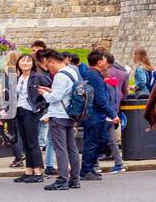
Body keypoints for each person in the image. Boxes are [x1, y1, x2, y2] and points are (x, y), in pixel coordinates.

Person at [38, 50, 81, 191]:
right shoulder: (71, 71)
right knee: (72, 148)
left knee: (60, 148)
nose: (48, 69)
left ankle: (62, 179)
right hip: (70, 114)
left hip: (59, 115)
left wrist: (45, 93)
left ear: (52, 62)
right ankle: (75, 179)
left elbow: (55, 98)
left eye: (48, 65)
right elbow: (66, 93)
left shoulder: (59, 76)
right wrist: (51, 91)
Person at [79, 51, 117, 180]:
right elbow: (100, 99)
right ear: (100, 62)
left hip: (96, 114)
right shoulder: (94, 76)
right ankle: (86, 170)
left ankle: (90, 167)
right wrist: (113, 114)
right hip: (93, 115)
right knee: (92, 143)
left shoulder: (92, 75)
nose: (106, 63)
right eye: (105, 60)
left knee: (102, 140)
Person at [12, 51, 49, 184]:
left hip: (31, 112)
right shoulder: (18, 78)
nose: (25, 63)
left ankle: (38, 171)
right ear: (18, 64)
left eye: (28, 61)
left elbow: (49, 91)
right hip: (19, 111)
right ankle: (29, 170)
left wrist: (43, 109)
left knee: (33, 142)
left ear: (33, 64)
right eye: (22, 61)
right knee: (26, 142)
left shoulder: (38, 77)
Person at [103, 52, 129, 174]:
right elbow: (125, 92)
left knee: (100, 137)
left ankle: (96, 164)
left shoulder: (105, 74)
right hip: (116, 106)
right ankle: (118, 162)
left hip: (106, 109)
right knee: (111, 137)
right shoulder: (122, 74)